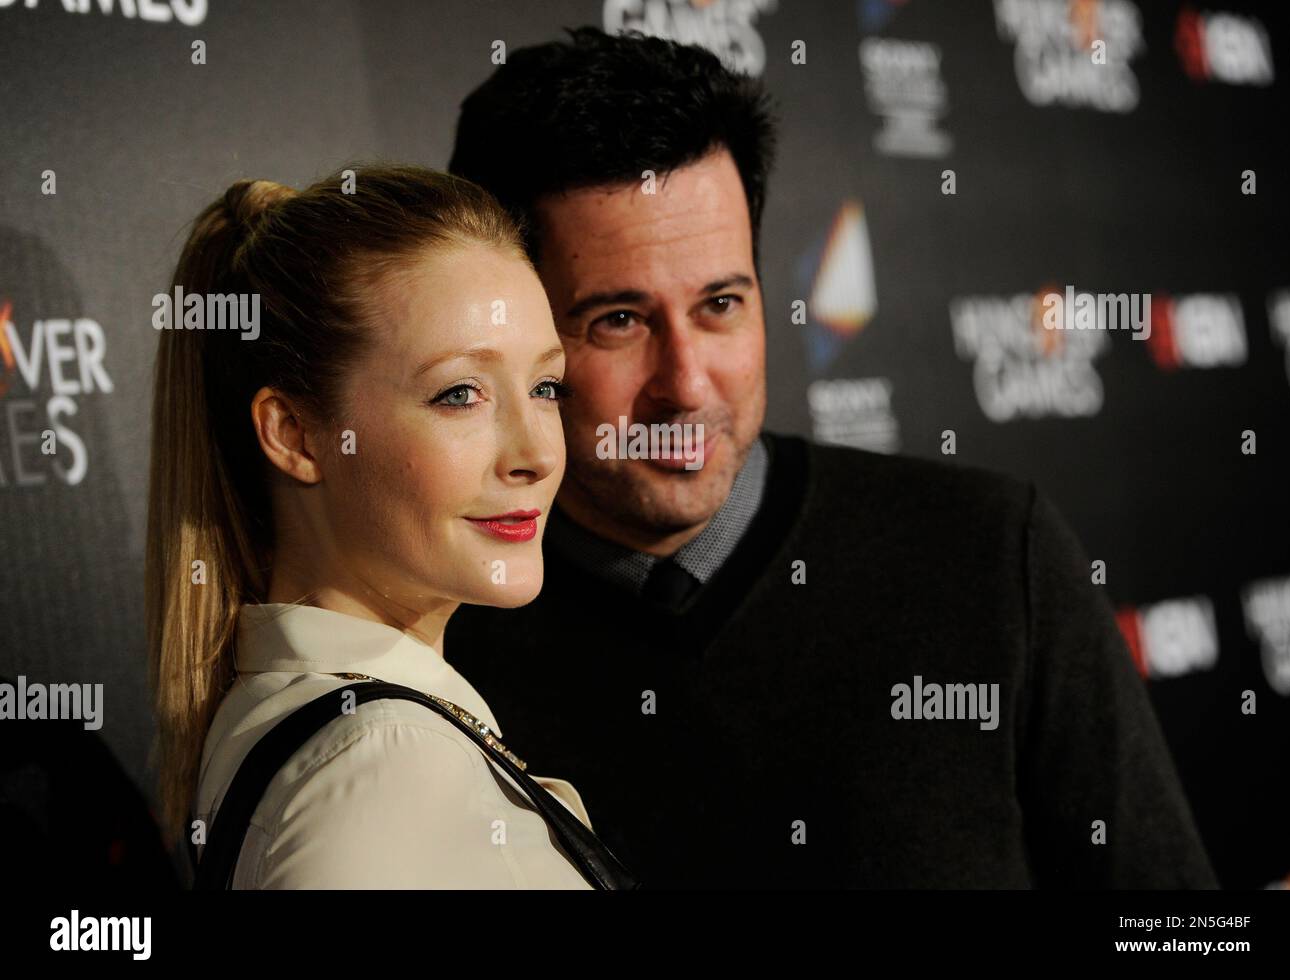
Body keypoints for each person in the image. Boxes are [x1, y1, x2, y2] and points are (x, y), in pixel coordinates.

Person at [444, 28, 1220, 888]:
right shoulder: (437, 644)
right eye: (619, 321)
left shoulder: (992, 555)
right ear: (509, 329)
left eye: (721, 304)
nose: (688, 384)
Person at [145, 164, 608, 888]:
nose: (540, 454)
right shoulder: (383, 765)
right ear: (295, 434)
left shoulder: (303, 721)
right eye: (460, 394)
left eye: (546, 386)